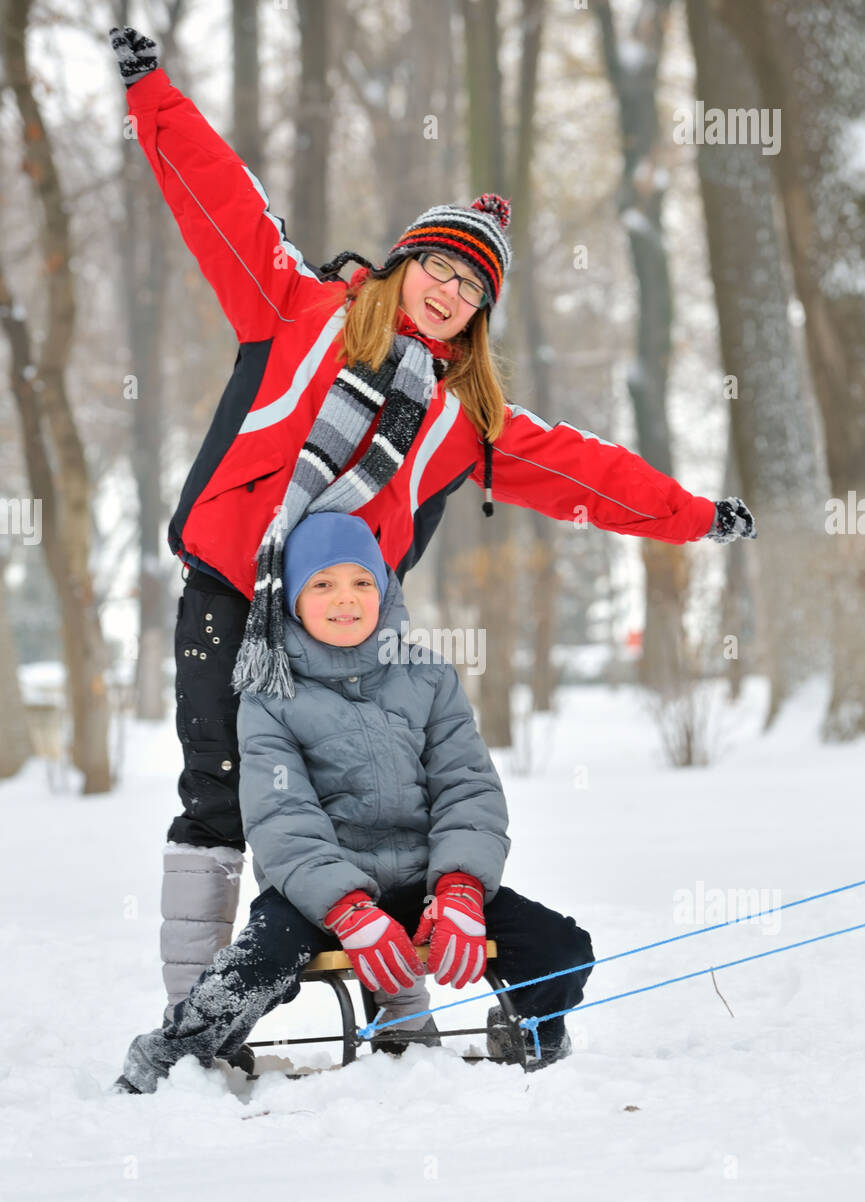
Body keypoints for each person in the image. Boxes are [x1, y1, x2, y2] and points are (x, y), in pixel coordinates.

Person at [107, 27, 757, 1027]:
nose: (449, 294)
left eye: (471, 290)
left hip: (345, 633)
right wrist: (155, 96)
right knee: (217, 796)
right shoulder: (297, 309)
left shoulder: (464, 421)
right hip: (231, 593)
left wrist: (692, 516)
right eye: (440, 269)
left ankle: (395, 1000)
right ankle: (198, 1022)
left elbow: (587, 471)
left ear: (478, 316)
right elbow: (220, 204)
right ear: (406, 260)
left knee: (371, 813)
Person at [116, 514, 595, 1093]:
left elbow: (467, 787)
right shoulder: (271, 692)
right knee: (251, 970)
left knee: (562, 947)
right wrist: (348, 911)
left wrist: (462, 889)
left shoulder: (428, 676)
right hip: (316, 896)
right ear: (292, 599)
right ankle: (175, 1055)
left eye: (361, 582)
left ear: (384, 590)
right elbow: (280, 815)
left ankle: (534, 1031)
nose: (346, 599)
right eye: (323, 584)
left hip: (426, 885)